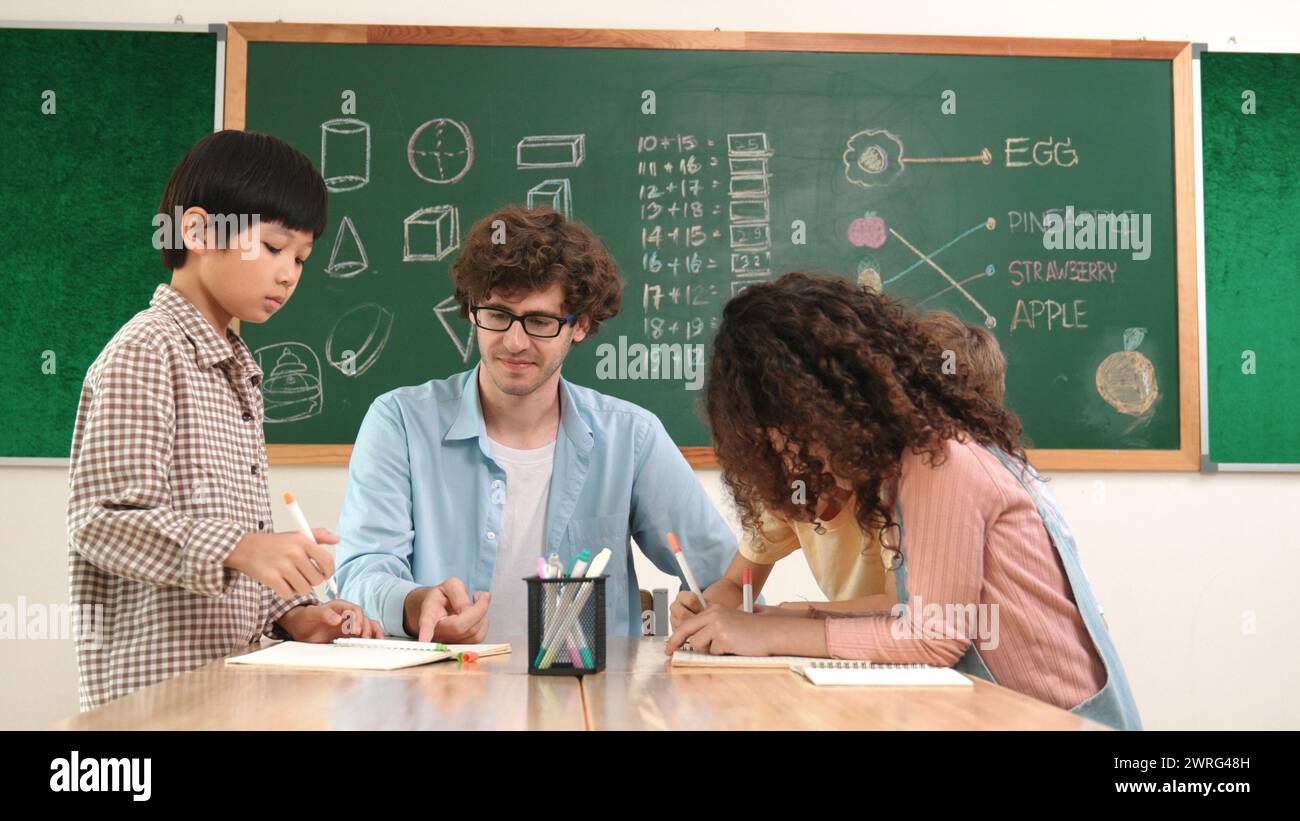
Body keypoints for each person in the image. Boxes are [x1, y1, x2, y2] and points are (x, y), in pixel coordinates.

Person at [667, 272, 1140, 729]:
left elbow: (932, 636)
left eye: (792, 437)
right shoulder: (914, 459)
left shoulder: (939, 460)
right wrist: (782, 617)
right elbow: (916, 612)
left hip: (1060, 720)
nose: (797, 461)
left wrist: (767, 633)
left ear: (826, 406)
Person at [67, 130, 381, 711]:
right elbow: (99, 522)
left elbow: (237, 563)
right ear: (196, 231)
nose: (289, 274)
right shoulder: (147, 349)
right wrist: (242, 546)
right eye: (272, 247)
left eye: (302, 259)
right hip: (153, 708)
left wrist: (298, 615)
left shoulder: (239, 372)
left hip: (232, 697)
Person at [334, 206, 735, 643]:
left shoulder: (631, 437)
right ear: (471, 311)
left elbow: (720, 573)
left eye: (539, 321)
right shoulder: (400, 423)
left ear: (579, 325)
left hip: (588, 703)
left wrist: (706, 610)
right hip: (438, 693)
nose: (514, 341)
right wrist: (415, 606)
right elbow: (361, 571)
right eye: (498, 315)